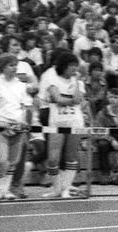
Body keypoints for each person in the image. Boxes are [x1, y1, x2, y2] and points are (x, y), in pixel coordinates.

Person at [0, 53, 34, 201]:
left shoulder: (20, 85)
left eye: (16, 64)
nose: (14, 68)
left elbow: (24, 107)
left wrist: (23, 121)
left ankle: (6, 190)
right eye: (11, 65)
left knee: (12, 162)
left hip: (17, 126)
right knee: (1, 160)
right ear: (3, 67)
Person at [38, 51, 88, 198]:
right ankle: (56, 188)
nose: (74, 69)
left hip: (75, 120)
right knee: (53, 158)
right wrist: (72, 100)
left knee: (71, 156)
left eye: (76, 66)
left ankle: (66, 188)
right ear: (63, 66)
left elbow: (80, 99)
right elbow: (57, 98)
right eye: (71, 66)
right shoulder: (52, 79)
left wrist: (77, 82)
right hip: (56, 121)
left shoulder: (77, 81)